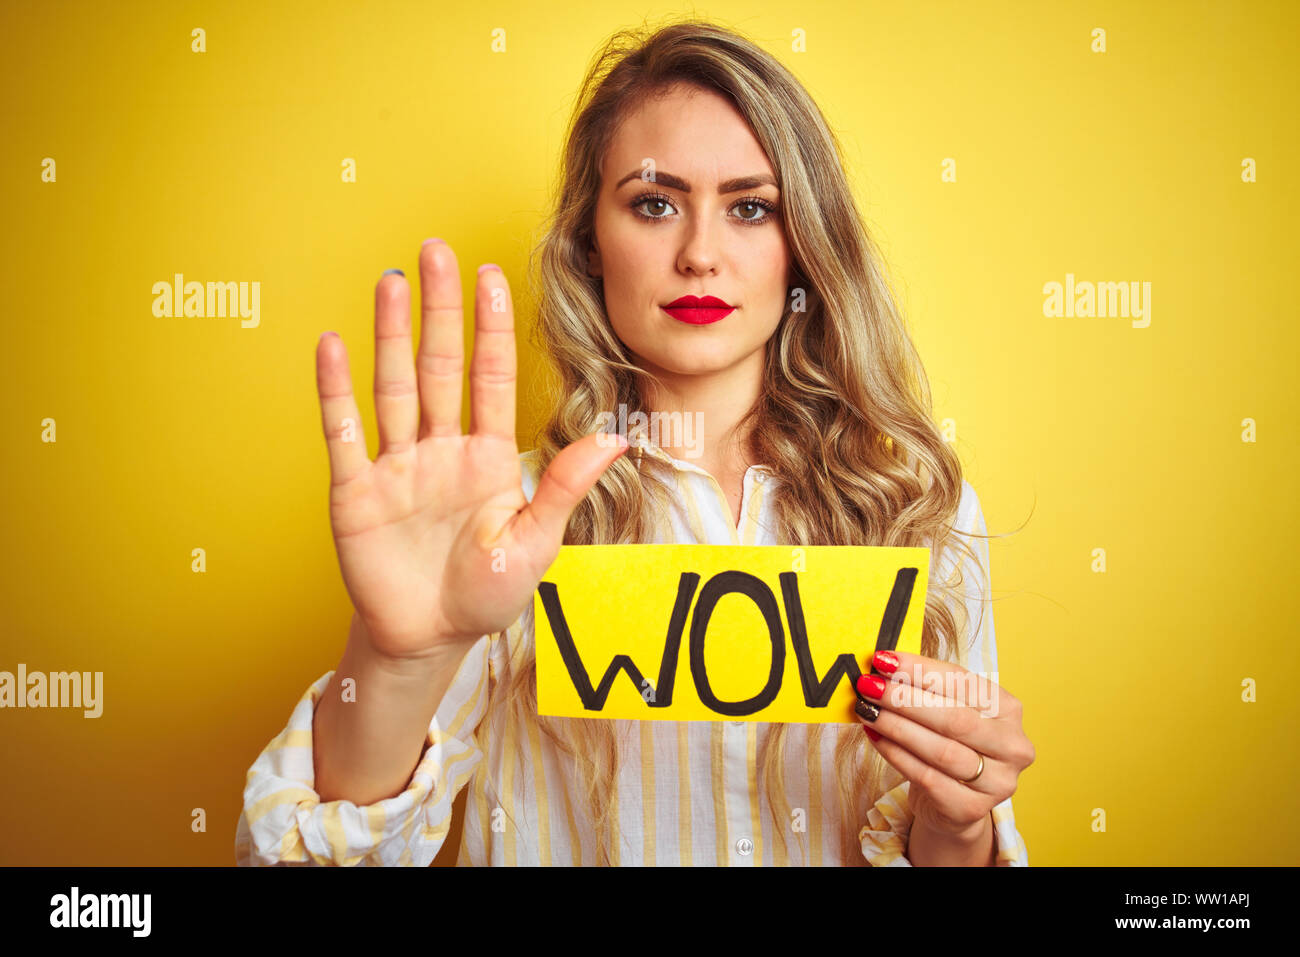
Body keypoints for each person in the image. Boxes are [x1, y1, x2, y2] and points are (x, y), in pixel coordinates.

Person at [236, 19, 1035, 867]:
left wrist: (959, 825)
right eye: (655, 204)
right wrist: (398, 657)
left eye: (750, 207)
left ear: (802, 249)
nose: (699, 254)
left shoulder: (922, 515)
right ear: (590, 242)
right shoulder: (499, 525)